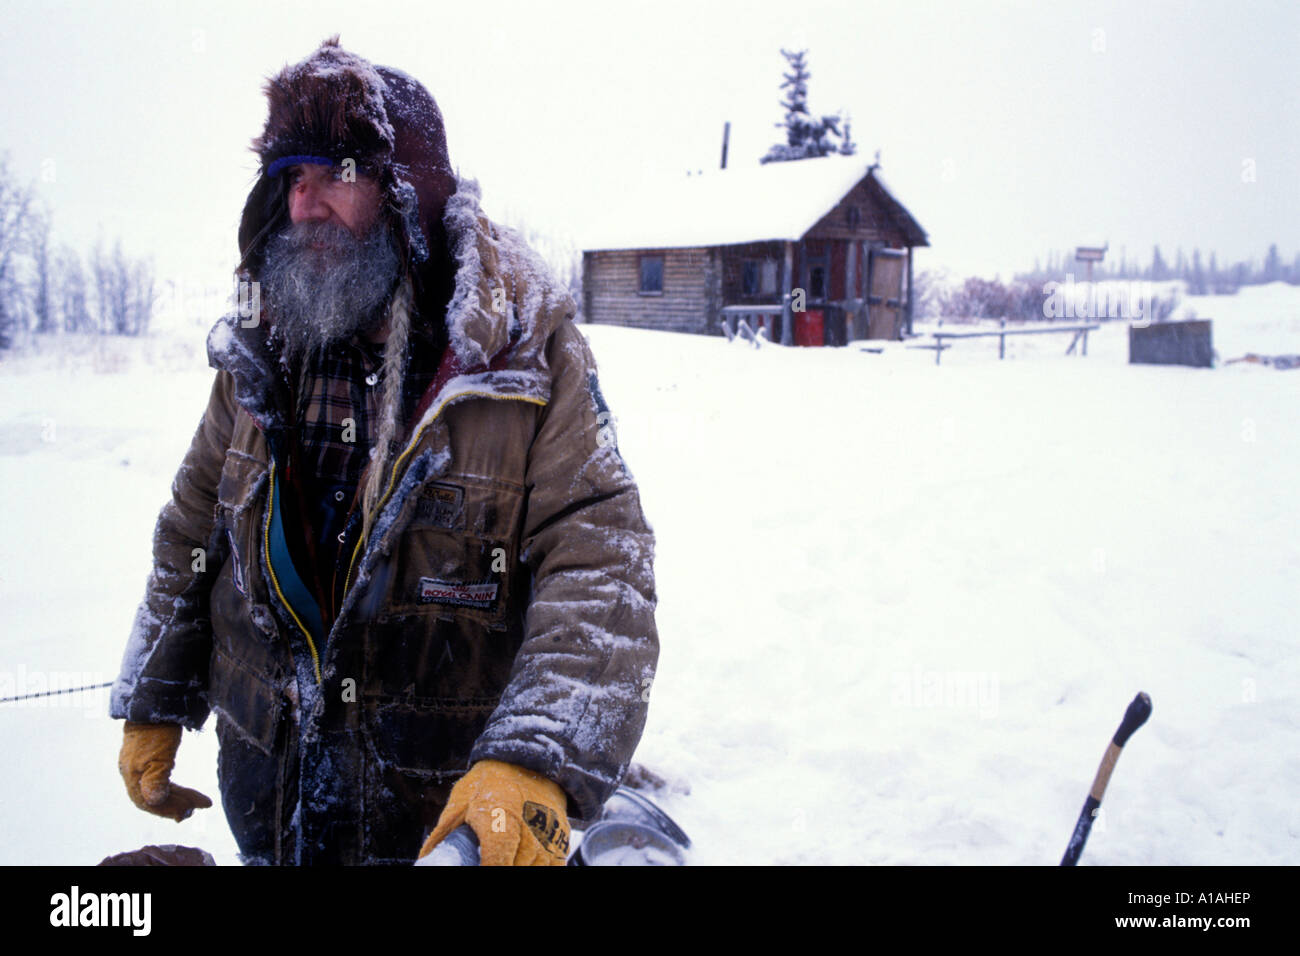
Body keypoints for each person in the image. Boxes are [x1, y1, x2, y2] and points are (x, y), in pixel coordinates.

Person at [110, 37, 659, 866]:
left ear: (410, 191)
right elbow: (193, 527)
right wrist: (155, 691)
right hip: (272, 802)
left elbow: (600, 561)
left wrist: (532, 759)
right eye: (292, 180)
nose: (304, 205)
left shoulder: (517, 355)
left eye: (335, 173)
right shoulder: (265, 352)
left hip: (449, 828)